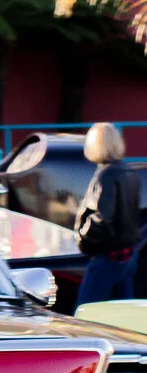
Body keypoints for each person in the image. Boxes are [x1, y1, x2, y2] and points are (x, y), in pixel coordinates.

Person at [75, 121, 140, 305]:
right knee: (125, 314)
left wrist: (83, 238)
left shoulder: (106, 175)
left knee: (84, 311)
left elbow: (102, 217)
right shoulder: (129, 172)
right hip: (127, 253)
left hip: (107, 256)